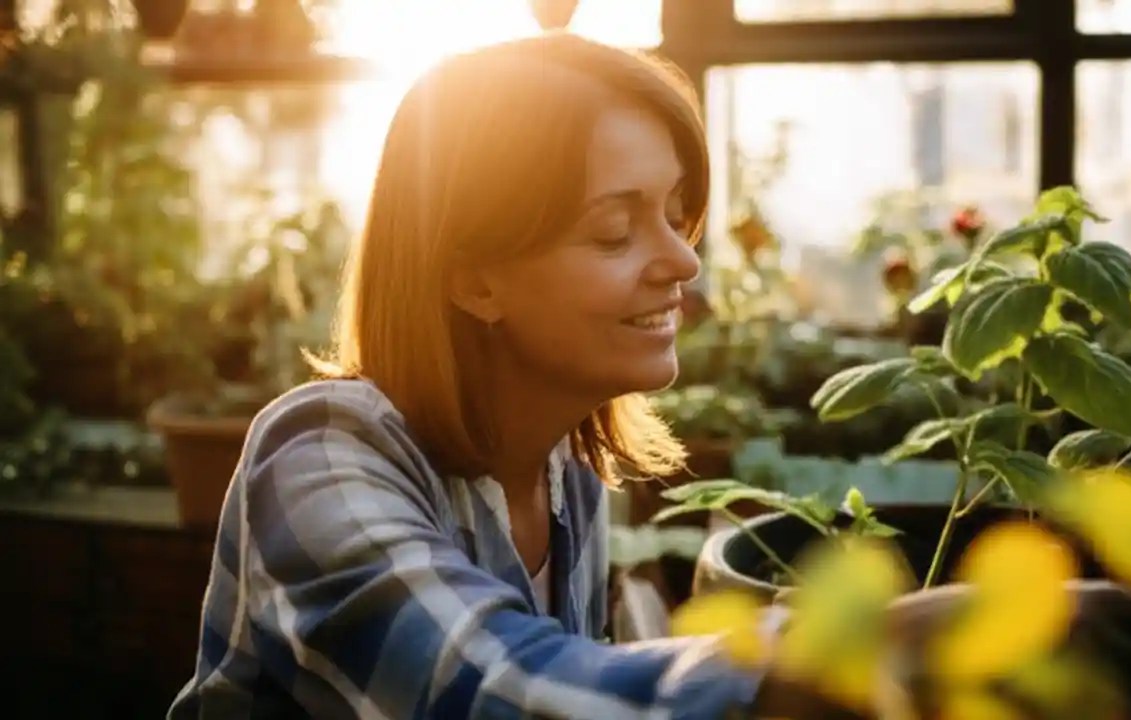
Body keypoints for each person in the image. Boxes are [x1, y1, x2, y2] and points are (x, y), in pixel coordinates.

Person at [168, 33, 853, 720]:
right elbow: (490, 687)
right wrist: (803, 663)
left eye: (675, 218)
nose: (683, 261)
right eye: (616, 231)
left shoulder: (570, 477)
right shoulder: (317, 456)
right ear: (472, 279)